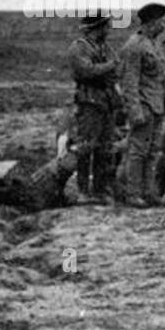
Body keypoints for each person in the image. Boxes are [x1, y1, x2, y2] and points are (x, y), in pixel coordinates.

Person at [118, 2, 165, 207]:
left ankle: (149, 193)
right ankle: (133, 194)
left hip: (156, 106)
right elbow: (129, 82)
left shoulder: (153, 44)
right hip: (144, 106)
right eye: (162, 21)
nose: (164, 25)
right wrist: (135, 111)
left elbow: (160, 78)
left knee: (153, 151)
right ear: (153, 22)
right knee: (138, 151)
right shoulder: (135, 46)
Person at [66, 11, 119, 202]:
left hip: (106, 101)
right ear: (97, 27)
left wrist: (106, 69)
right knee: (86, 147)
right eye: (106, 25)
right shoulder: (79, 48)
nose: (109, 29)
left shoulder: (106, 48)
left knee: (104, 148)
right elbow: (86, 71)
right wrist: (108, 67)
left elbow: (115, 70)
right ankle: (82, 191)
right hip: (89, 102)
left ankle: (99, 190)